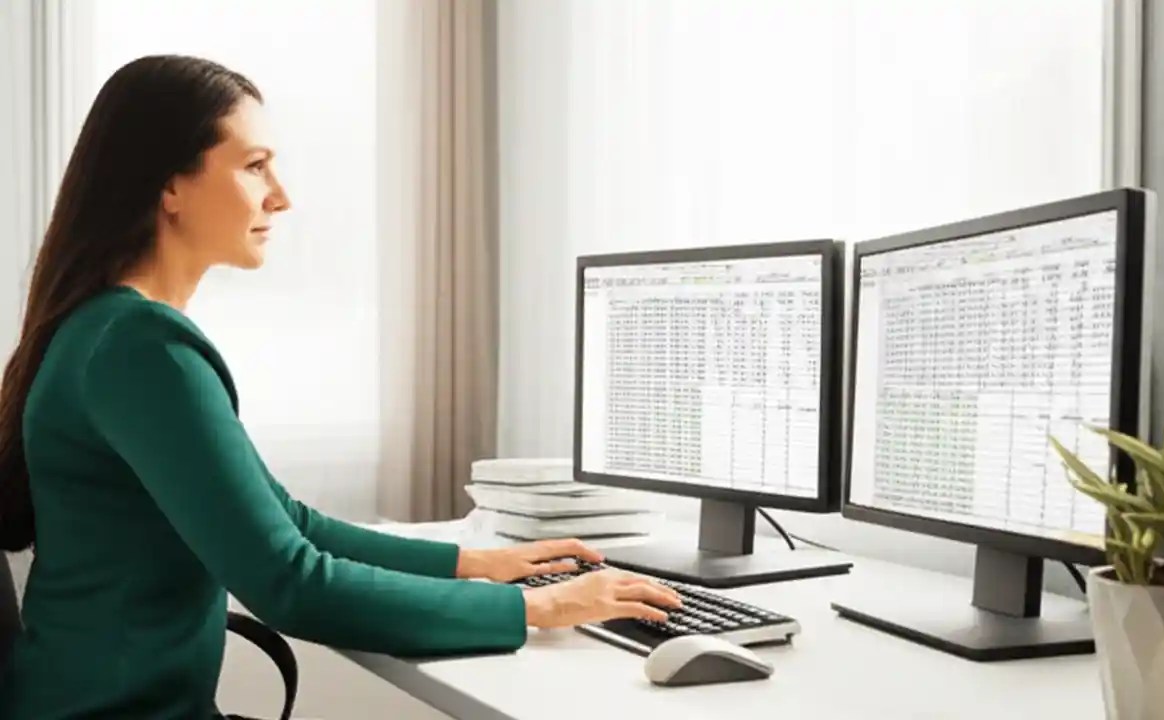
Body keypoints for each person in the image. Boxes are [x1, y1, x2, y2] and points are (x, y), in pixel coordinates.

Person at [0, 55, 680, 719]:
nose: (281, 195)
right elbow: (289, 582)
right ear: (168, 186)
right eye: (255, 165)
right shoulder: (140, 351)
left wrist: (477, 564)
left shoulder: (108, 333)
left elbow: (289, 524)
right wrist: (540, 607)